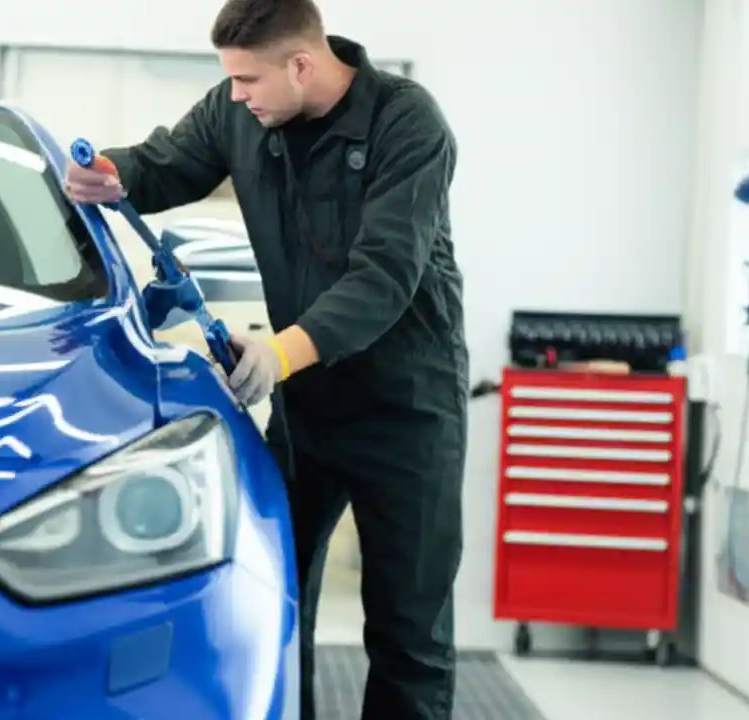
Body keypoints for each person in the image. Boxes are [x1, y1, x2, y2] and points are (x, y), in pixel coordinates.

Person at [63, 1, 467, 717]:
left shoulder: (409, 124)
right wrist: (108, 172)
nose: (237, 94)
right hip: (307, 409)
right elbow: (165, 165)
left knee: (409, 636)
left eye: (249, 79)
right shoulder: (237, 110)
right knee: (274, 607)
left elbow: (384, 277)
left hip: (409, 410)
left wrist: (280, 354)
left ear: (301, 64)